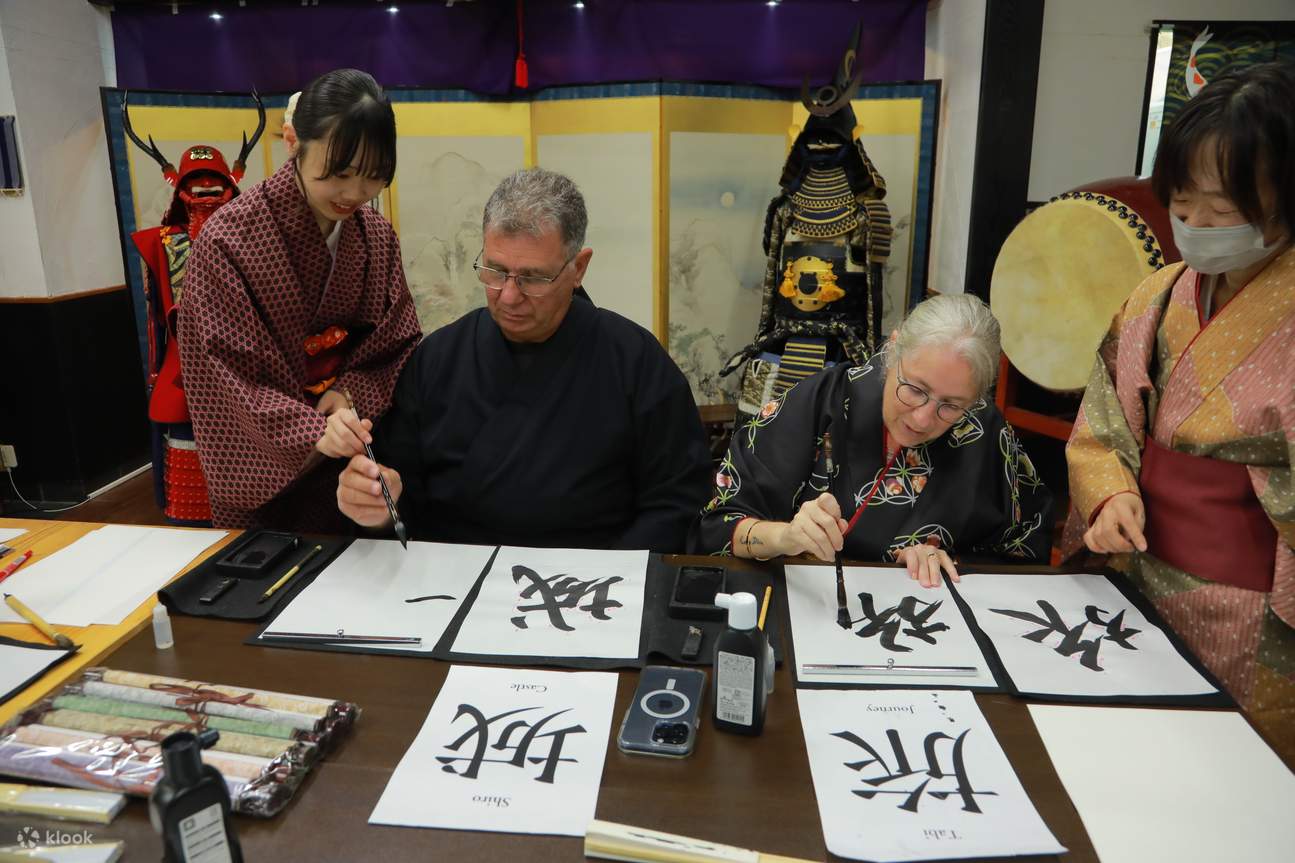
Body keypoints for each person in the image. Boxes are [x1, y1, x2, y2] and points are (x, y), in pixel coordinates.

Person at [1066, 62, 1294, 760]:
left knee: (1228, 771)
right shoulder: (1159, 292)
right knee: (1125, 756)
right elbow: (1102, 423)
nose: (1194, 225)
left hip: (1254, 604)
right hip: (1135, 571)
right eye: (1182, 202)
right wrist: (1109, 495)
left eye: (1220, 208)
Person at [335, 168, 712, 553]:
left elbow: (679, 500)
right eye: (496, 271)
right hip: (456, 573)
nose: (509, 296)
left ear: (578, 268)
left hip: (590, 575)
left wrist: (607, 574)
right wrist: (378, 504)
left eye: (533, 278)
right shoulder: (438, 359)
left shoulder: (635, 361)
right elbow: (398, 489)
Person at [178, 69, 422, 532]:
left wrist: (348, 393)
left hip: (347, 450)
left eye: (373, 177)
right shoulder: (228, 239)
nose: (355, 194)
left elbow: (397, 341)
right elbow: (223, 371)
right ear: (294, 142)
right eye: (340, 173)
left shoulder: (376, 236)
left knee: (354, 567)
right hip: (261, 461)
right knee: (266, 572)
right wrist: (313, 430)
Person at [691, 293, 1053, 585]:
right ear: (893, 351)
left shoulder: (984, 433)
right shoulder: (820, 403)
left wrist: (947, 562)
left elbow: (1025, 555)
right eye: (915, 389)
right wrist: (784, 537)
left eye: (951, 405)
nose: (923, 418)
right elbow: (715, 529)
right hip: (799, 611)